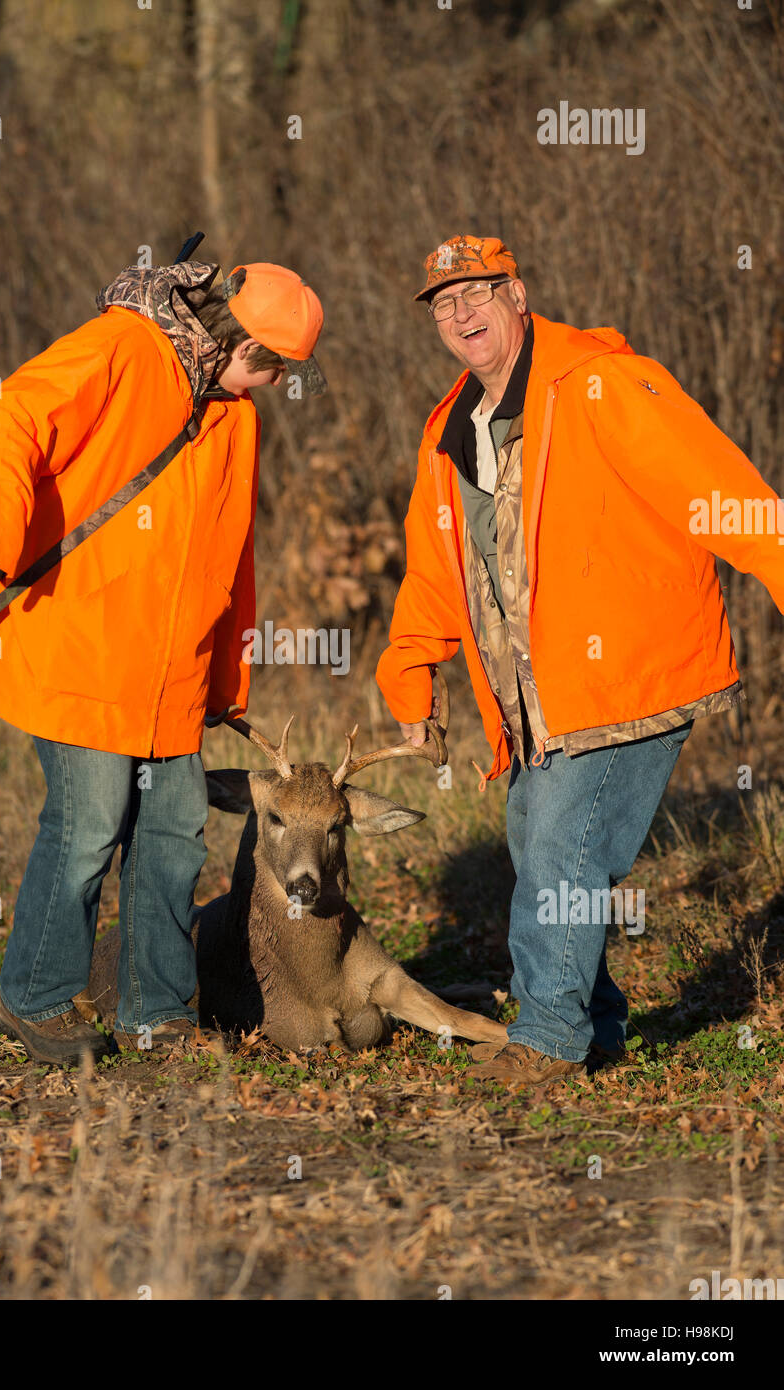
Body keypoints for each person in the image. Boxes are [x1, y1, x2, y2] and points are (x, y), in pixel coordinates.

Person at [376, 232, 783, 1087]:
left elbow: (717, 488)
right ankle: (592, 1028)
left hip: (626, 673)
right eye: (443, 303)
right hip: (535, 697)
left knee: (561, 847)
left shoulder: (599, 382)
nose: (460, 312)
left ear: (517, 295)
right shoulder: (449, 429)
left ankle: (550, 1041)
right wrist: (411, 672)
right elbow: (435, 566)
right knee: (536, 842)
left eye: (476, 292)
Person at [0, 256, 325, 1065]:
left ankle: (157, 1014)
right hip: (75, 644)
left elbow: (230, 558)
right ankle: (35, 1000)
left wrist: (223, 680)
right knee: (87, 827)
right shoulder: (121, 349)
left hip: (168, 673)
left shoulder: (234, 416)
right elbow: (6, 421)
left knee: (176, 832)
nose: (265, 385)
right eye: (263, 362)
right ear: (224, 334)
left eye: (281, 371)